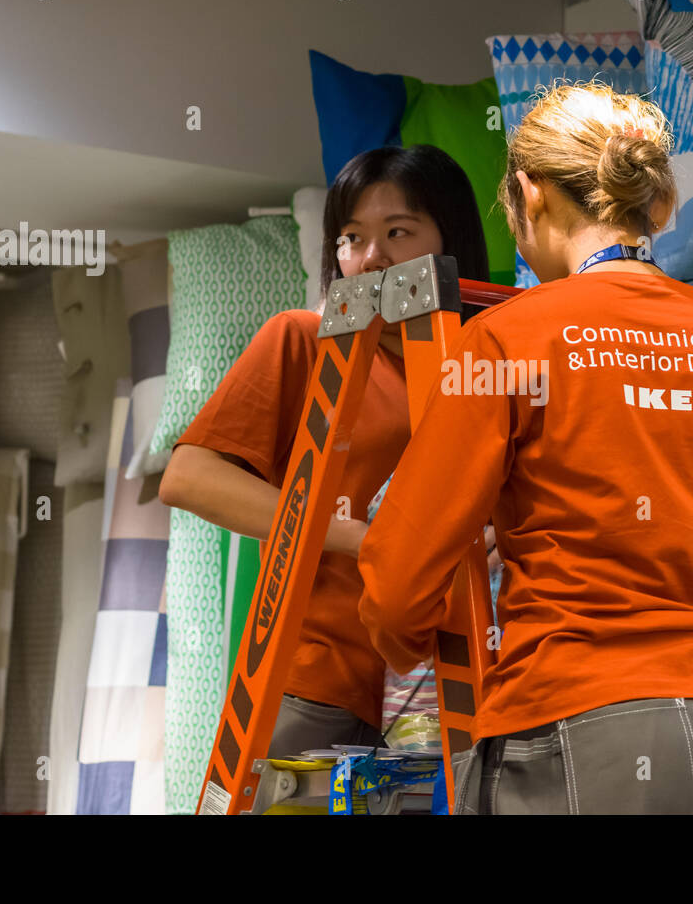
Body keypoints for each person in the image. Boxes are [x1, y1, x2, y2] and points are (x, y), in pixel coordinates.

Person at [356, 80, 693, 814]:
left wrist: (397, 646)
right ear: (652, 200)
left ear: (531, 191)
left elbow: (398, 584)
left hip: (579, 725)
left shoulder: (508, 339)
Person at [159, 144, 490, 757]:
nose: (371, 258)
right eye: (350, 237)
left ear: (451, 243)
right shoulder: (307, 341)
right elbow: (188, 478)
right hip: (321, 680)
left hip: (461, 687)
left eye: (397, 231)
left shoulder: (485, 364)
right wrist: (357, 538)